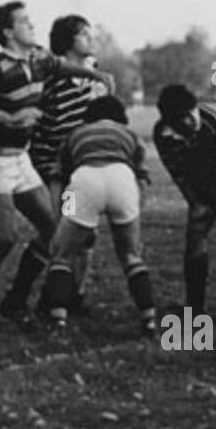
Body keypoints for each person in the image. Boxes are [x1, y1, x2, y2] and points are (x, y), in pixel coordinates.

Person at [0, 1, 112, 328]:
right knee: (5, 238)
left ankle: (14, 301)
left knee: (53, 229)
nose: (32, 25)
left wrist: (93, 73)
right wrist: (10, 117)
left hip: (21, 158)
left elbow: (62, 67)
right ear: (8, 32)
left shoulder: (39, 57)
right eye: (24, 22)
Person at [41, 96, 156, 337]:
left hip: (84, 181)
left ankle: (58, 320)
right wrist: (135, 216)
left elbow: (58, 178)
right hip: (123, 181)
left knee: (62, 254)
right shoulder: (131, 135)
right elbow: (142, 180)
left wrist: (62, 215)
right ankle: (149, 320)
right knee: (131, 257)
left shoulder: (75, 134)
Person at [153, 84, 216, 316]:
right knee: (194, 237)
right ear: (171, 121)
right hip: (200, 180)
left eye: (193, 112)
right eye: (184, 118)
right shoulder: (163, 135)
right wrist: (195, 203)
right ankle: (195, 308)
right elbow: (178, 173)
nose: (192, 120)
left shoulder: (213, 124)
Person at [30, 16, 107, 316]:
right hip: (56, 168)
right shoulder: (53, 76)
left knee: (85, 233)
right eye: (83, 34)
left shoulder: (95, 73)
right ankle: (49, 297)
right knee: (61, 232)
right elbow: (42, 124)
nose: (90, 38)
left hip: (84, 168)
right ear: (68, 40)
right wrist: (45, 166)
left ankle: (76, 293)